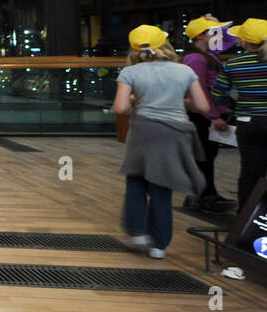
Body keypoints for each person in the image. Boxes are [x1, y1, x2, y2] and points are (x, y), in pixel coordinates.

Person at [113, 25, 210, 260]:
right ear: (163, 44)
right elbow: (203, 106)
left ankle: (137, 232)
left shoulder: (130, 73)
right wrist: (180, 102)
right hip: (175, 133)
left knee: (136, 178)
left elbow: (120, 108)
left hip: (143, 130)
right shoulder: (184, 71)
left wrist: (138, 99)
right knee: (162, 186)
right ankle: (159, 245)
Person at [212, 18, 267, 212]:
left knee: (250, 173)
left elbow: (218, 95)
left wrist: (233, 105)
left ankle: (246, 218)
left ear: (244, 41)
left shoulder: (233, 64)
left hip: (247, 122)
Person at [181, 17, 236, 212]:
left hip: (207, 111)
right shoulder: (196, 58)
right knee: (203, 155)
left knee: (207, 154)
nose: (218, 35)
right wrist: (214, 116)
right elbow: (200, 90)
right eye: (213, 31)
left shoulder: (208, 53)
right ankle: (201, 196)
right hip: (202, 113)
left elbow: (232, 39)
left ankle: (206, 194)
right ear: (200, 36)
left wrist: (218, 24)